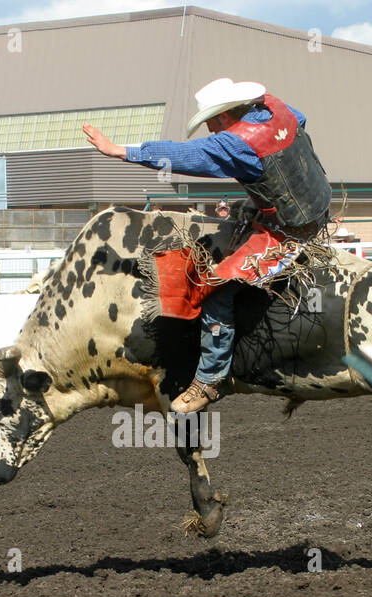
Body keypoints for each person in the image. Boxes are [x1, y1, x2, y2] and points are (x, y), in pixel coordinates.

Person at [84, 76, 332, 412]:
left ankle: (210, 379)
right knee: (244, 213)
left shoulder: (237, 143)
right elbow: (300, 122)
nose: (211, 131)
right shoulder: (274, 106)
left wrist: (120, 151)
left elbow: (182, 154)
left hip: (291, 227)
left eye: (212, 122)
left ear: (225, 115)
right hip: (318, 198)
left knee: (216, 288)